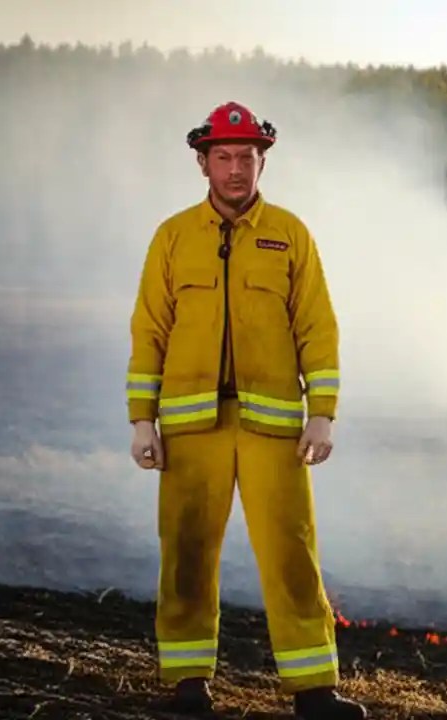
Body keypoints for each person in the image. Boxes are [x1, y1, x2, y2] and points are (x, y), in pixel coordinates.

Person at [124, 100, 367, 719]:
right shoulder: (173, 237)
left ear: (263, 162)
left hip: (274, 429)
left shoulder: (290, 235)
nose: (236, 169)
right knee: (184, 550)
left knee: (291, 551)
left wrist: (324, 410)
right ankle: (186, 683)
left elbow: (317, 327)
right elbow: (149, 330)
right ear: (203, 163)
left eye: (247, 157)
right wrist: (141, 419)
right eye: (224, 157)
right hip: (189, 428)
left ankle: (314, 689)